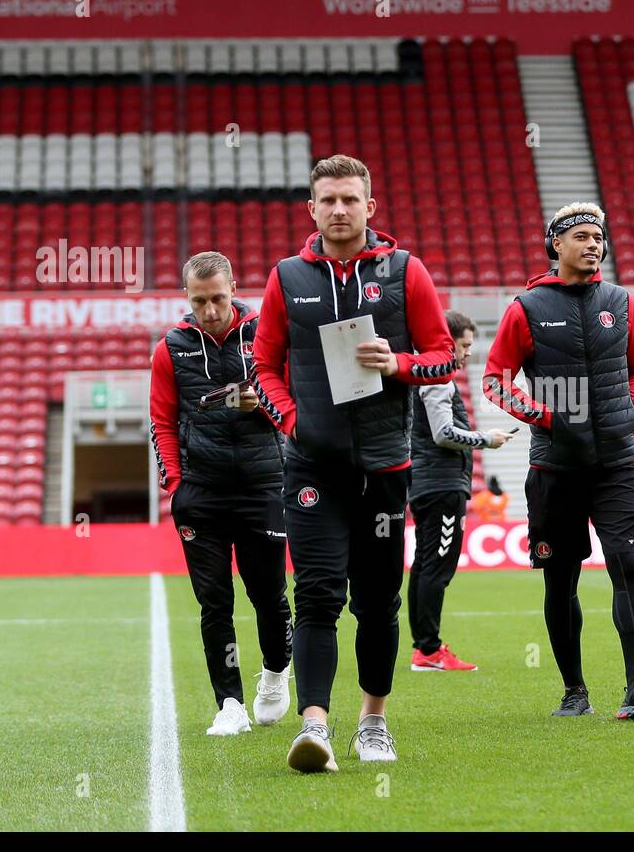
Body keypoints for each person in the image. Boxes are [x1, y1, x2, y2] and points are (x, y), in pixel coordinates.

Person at [251, 154, 458, 773]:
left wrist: (397, 363)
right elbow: (261, 366)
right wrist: (291, 420)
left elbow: (444, 358)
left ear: (370, 208)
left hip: (385, 471)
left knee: (376, 602)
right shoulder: (287, 276)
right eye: (328, 200)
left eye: (350, 199)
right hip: (312, 470)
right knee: (315, 596)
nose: (339, 210)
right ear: (312, 209)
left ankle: (373, 721)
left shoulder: (406, 272)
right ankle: (313, 726)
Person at [483, 201, 634, 720]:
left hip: (617, 465)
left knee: (628, 565)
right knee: (559, 580)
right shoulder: (526, 308)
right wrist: (544, 416)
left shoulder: (622, 302)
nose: (594, 244)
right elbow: (495, 379)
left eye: (599, 237)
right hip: (555, 471)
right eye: (583, 236)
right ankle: (574, 691)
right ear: (556, 245)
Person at [149, 251, 292, 736]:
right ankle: (229, 703)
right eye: (199, 300)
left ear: (233, 289)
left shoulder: (266, 332)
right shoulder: (172, 346)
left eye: (217, 298)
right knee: (215, 603)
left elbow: (294, 406)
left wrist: (262, 405)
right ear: (187, 298)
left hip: (263, 486)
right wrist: (176, 484)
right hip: (202, 493)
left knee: (269, 597)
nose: (209, 309)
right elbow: (162, 420)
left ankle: (275, 674)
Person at [407, 309, 514, 672]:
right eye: (464, 345)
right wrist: (488, 439)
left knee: (425, 566)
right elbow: (443, 433)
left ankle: (425, 647)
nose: (467, 353)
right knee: (436, 567)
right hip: (441, 484)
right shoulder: (438, 377)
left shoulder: (422, 373)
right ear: (447, 341)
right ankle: (429, 650)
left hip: (426, 483)